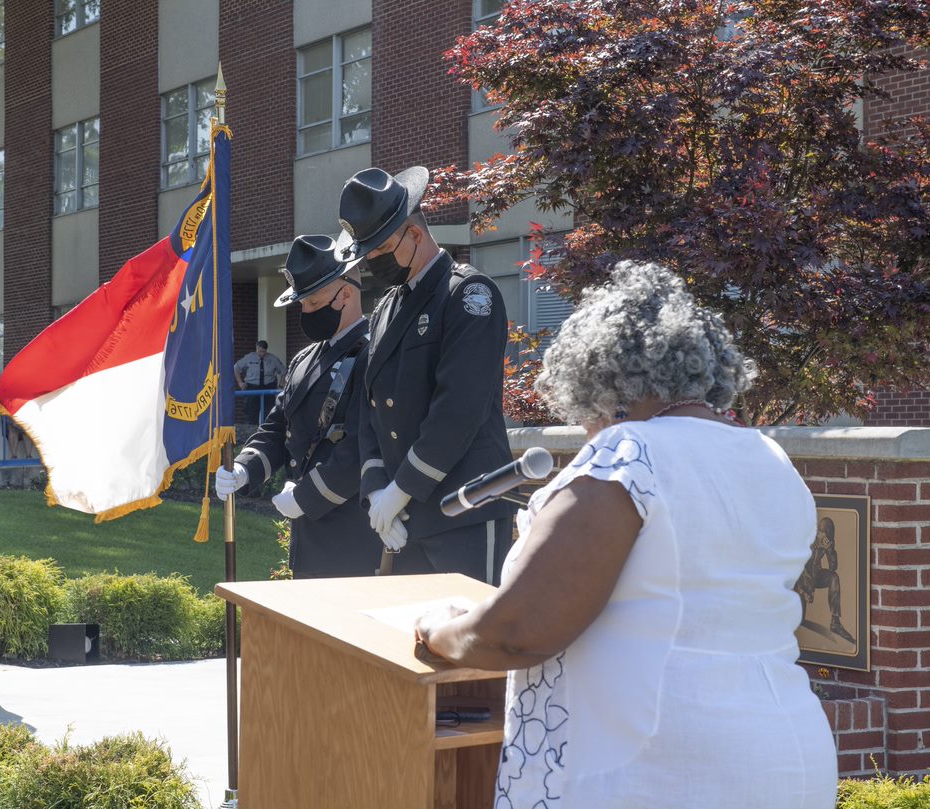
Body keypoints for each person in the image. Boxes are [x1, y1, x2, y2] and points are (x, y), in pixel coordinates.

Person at [414, 263, 836, 809]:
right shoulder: (771, 458)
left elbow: (516, 632)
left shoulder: (628, 453)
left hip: (659, 770)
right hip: (786, 758)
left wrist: (438, 628)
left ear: (605, 384)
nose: (590, 428)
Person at [336, 166, 514, 583]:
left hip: (464, 509)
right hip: (405, 519)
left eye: (379, 253)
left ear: (414, 235)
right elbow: (369, 411)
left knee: (473, 642)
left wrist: (402, 489)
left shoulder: (467, 295)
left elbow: (459, 409)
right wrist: (377, 491)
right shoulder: (385, 311)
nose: (372, 265)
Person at [215, 235, 382, 577]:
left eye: (313, 302)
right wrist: (246, 468)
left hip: (354, 533)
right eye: (302, 303)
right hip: (309, 535)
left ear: (346, 294)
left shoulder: (375, 354)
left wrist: (307, 497)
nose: (305, 312)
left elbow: (362, 444)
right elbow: (278, 427)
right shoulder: (306, 359)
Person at [796, 516, 856, 645]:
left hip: (816, 575)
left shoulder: (827, 542)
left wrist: (830, 550)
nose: (822, 534)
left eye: (826, 532)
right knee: (799, 621)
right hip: (801, 580)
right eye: (820, 531)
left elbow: (833, 567)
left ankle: (835, 622)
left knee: (834, 577)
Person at [233, 340, 285, 424]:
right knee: (251, 413)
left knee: (269, 413)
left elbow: (283, 371)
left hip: (268, 388)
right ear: (256, 348)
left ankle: (266, 431)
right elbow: (236, 368)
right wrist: (240, 383)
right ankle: (251, 432)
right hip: (252, 388)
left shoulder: (272, 359)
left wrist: (281, 386)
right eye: (260, 351)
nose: (262, 353)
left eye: (264, 351)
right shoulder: (249, 357)